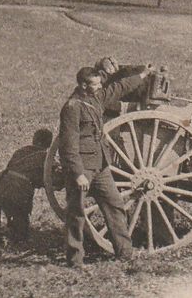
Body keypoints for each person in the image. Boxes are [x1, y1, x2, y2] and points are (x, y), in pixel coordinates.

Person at [59, 64, 152, 267]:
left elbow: (118, 88)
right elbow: (68, 145)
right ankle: (74, 261)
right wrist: (78, 174)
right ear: (83, 85)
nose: (100, 87)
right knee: (76, 214)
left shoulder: (96, 98)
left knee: (115, 204)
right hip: (82, 168)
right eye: (95, 84)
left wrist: (142, 75)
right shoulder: (71, 108)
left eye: (100, 83)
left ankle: (125, 253)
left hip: (101, 165)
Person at [0, 128, 57, 243]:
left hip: (0, 188)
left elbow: (11, 166)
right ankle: (15, 239)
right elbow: (49, 177)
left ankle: (8, 231)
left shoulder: (21, 151)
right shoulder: (45, 157)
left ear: (34, 140)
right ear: (49, 143)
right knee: (22, 225)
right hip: (18, 192)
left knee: (13, 212)